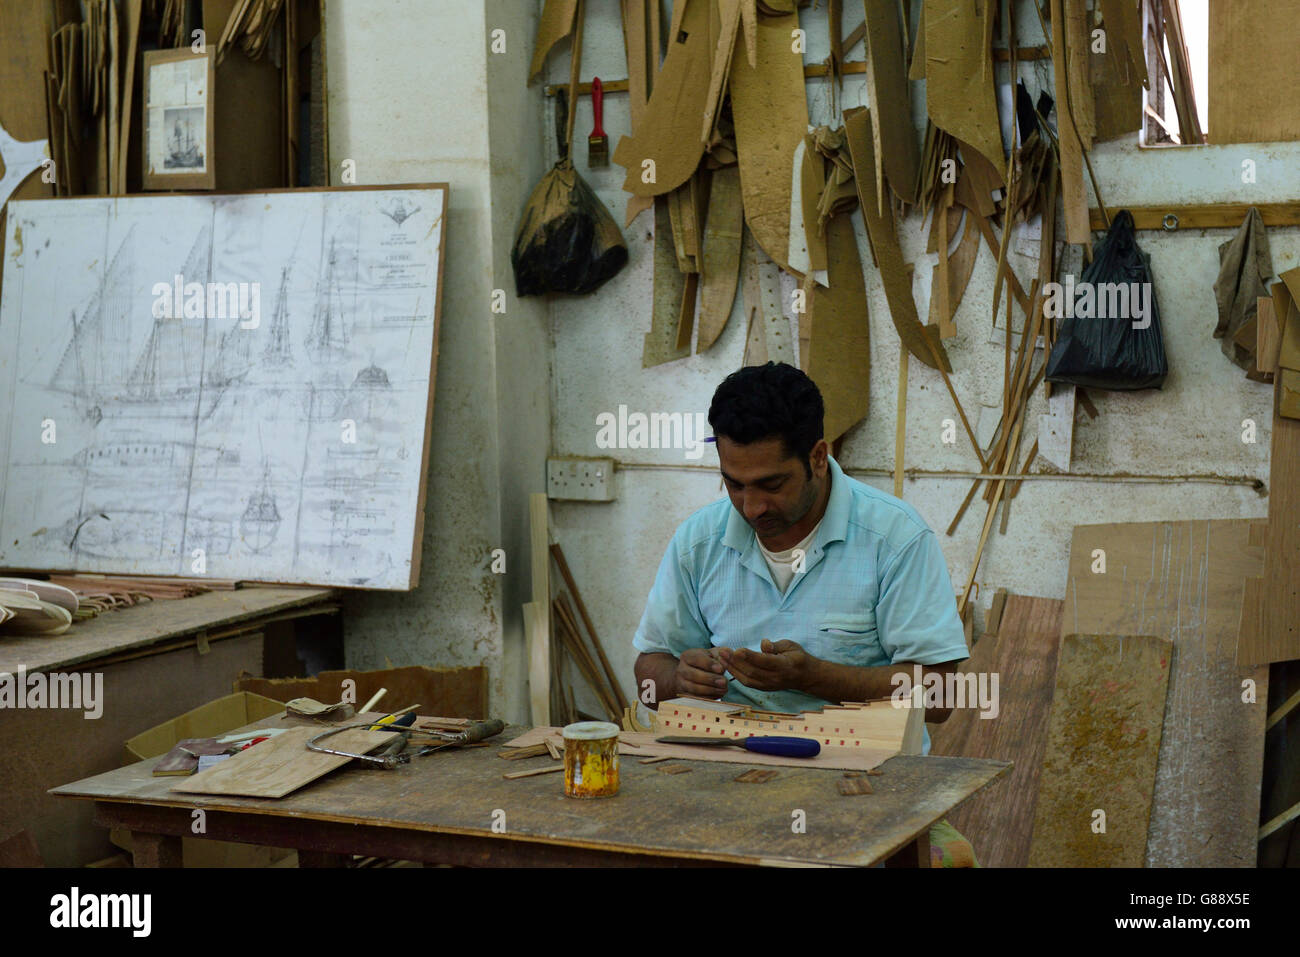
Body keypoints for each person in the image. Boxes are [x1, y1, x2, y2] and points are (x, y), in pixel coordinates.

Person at [632, 361, 977, 866]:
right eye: (733, 484)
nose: (750, 508)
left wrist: (816, 678)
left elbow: (942, 695)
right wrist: (680, 677)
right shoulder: (699, 541)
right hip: (728, 778)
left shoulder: (895, 538)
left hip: (868, 783)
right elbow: (648, 672)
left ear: (818, 456)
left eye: (770, 485)